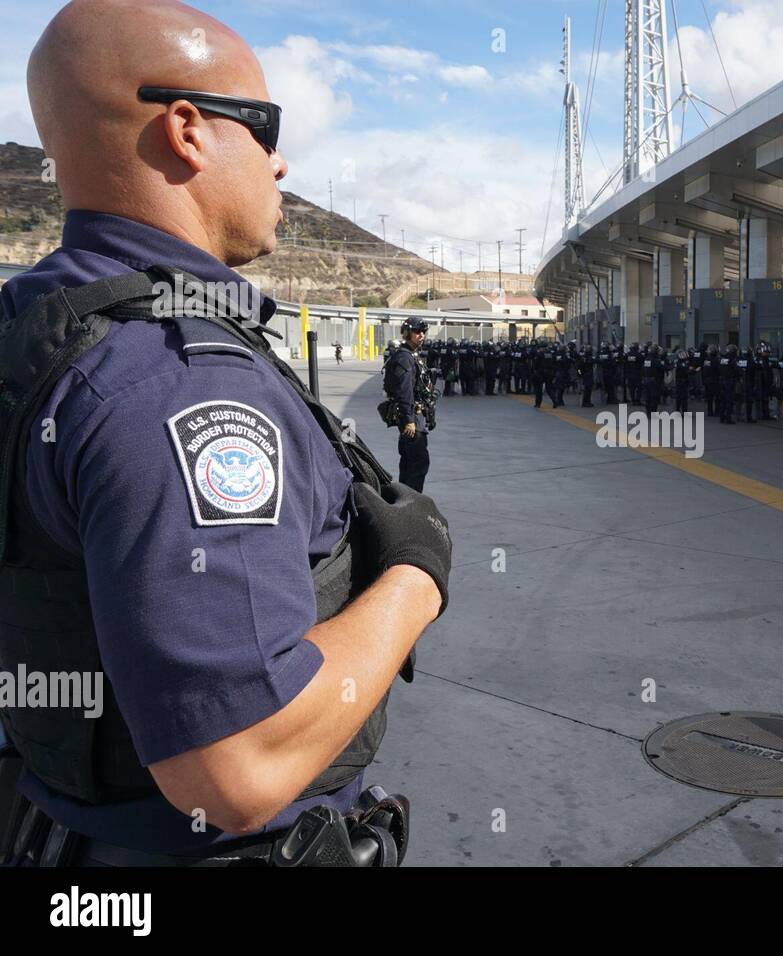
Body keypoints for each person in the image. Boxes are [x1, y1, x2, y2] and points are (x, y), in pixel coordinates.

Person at [0, 0, 450, 867]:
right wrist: (416, 574)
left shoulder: (37, 331)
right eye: (265, 126)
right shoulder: (181, 381)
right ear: (188, 131)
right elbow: (235, 767)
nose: (280, 164)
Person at [385, 318, 433, 492]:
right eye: (417, 331)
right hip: (412, 417)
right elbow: (404, 391)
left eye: (423, 331)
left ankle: (406, 500)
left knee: (409, 462)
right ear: (406, 333)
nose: (421, 335)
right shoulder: (405, 357)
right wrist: (409, 419)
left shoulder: (412, 355)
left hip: (415, 415)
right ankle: (412, 503)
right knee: (418, 463)